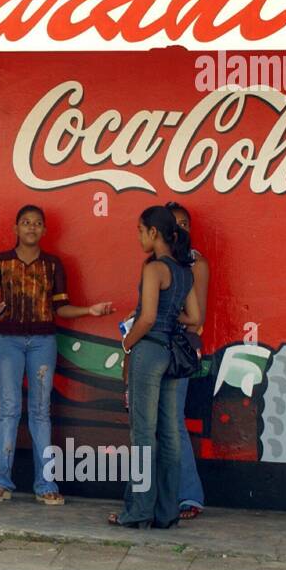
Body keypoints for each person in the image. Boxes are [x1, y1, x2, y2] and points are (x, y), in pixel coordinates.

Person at [0, 205, 113, 505]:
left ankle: (45, 483)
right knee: (9, 409)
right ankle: (1, 480)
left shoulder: (54, 265)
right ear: (15, 228)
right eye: (25, 222)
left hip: (43, 341)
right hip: (8, 341)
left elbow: (59, 308)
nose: (31, 228)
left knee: (41, 411)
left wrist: (88, 311)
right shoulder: (1, 262)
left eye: (37, 223)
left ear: (45, 230)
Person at [109, 206, 202, 529]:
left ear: (153, 233)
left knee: (143, 434)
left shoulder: (154, 269)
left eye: (140, 230)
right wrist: (170, 314)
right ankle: (166, 512)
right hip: (172, 355)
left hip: (149, 352)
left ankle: (138, 510)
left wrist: (125, 344)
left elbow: (146, 318)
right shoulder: (184, 271)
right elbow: (194, 318)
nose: (138, 237)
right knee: (170, 434)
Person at [166, 201, 209, 520]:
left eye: (185, 223)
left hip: (181, 347)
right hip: (156, 344)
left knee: (173, 420)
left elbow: (197, 319)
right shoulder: (157, 261)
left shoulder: (197, 263)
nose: (180, 228)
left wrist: (158, 317)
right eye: (174, 223)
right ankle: (160, 494)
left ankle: (190, 495)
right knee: (153, 422)